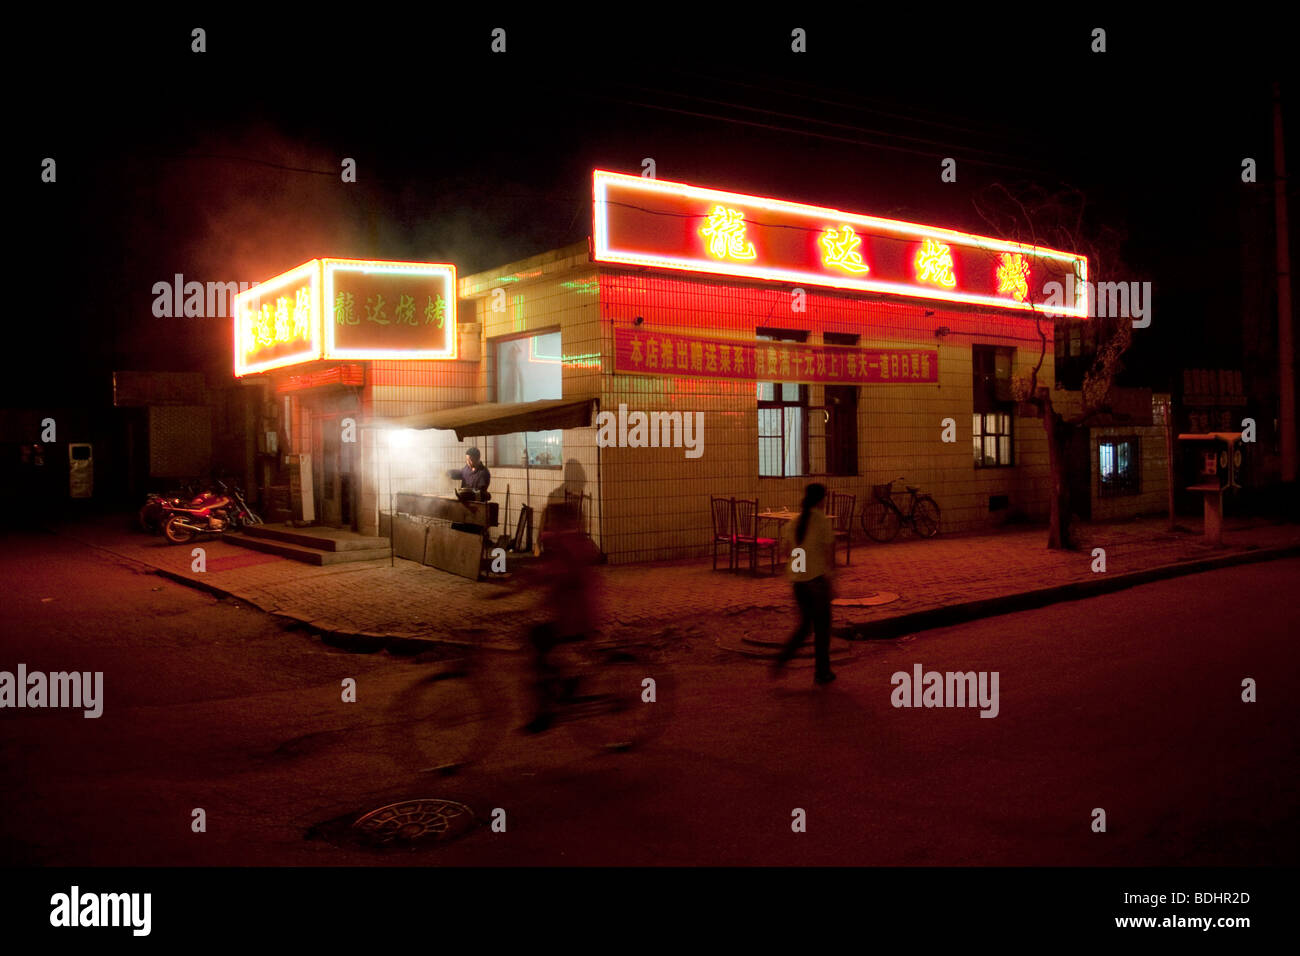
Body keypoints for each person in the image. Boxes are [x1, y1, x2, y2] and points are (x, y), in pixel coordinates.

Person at [771, 483, 836, 685]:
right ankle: (822, 672)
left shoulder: (794, 523)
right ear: (821, 500)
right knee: (822, 628)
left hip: (798, 581)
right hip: (816, 580)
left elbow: (785, 551)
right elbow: (829, 554)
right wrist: (832, 579)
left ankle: (782, 659)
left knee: (806, 626)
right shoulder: (822, 521)